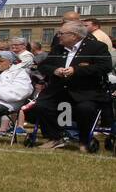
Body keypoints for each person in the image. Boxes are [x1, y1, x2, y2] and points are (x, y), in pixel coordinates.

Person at [27, 21, 113, 149]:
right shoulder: (58, 48)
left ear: (74, 35)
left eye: (61, 33)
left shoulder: (96, 47)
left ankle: (84, 141)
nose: (58, 36)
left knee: (85, 109)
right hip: (59, 90)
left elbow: (105, 67)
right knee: (41, 105)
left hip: (85, 91)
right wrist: (55, 71)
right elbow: (44, 66)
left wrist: (76, 70)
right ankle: (55, 137)